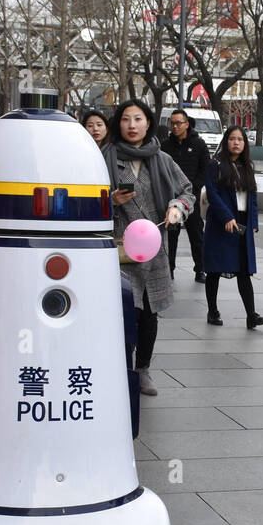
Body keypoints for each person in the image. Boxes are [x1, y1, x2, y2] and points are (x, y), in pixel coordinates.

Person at [103, 98, 194, 395]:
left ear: (148, 123)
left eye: (138, 119)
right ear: (119, 123)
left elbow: (186, 191)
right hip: (118, 250)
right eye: (126, 119)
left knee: (149, 313)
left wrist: (176, 208)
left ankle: (143, 369)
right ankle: (119, 368)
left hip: (155, 248)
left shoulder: (162, 160)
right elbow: (87, 199)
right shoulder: (104, 157)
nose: (132, 125)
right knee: (122, 312)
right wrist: (110, 202)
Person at [203, 125, 263, 329]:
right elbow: (212, 194)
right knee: (214, 269)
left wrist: (253, 223)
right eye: (232, 139)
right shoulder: (216, 164)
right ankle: (212, 310)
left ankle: (251, 315)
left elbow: (253, 196)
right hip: (220, 223)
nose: (236, 142)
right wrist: (226, 217)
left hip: (242, 222)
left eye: (240, 139)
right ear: (226, 141)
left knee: (244, 271)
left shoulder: (248, 166)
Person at [160, 108, 209, 282]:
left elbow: (205, 169)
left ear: (187, 124)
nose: (175, 126)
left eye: (178, 123)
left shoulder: (199, 144)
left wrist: (193, 188)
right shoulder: (165, 146)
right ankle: (169, 269)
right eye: (172, 123)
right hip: (171, 200)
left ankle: (200, 270)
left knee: (197, 237)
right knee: (171, 237)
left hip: (192, 198)